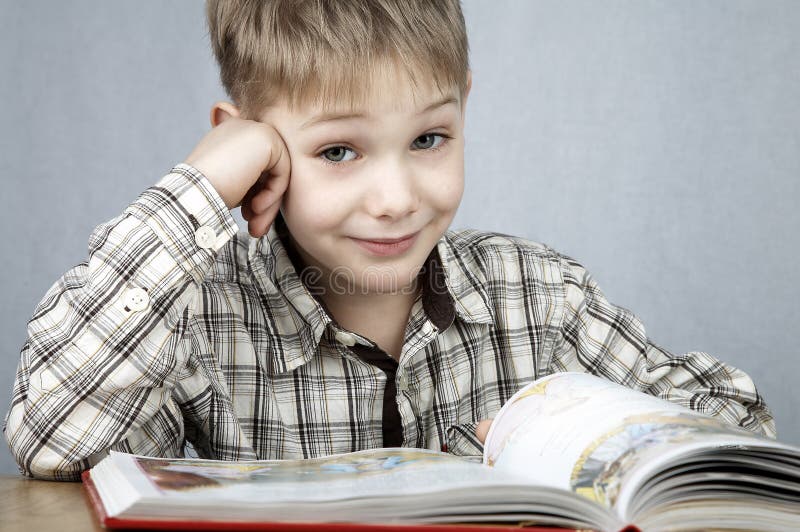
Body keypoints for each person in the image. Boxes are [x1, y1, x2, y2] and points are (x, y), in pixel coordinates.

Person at [3, 0, 775, 481]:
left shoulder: (541, 300)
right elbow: (52, 441)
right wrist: (200, 189)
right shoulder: (197, 322)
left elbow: (737, 425)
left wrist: (588, 437)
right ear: (247, 145)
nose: (398, 198)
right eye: (339, 150)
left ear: (463, 108)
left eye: (430, 138)